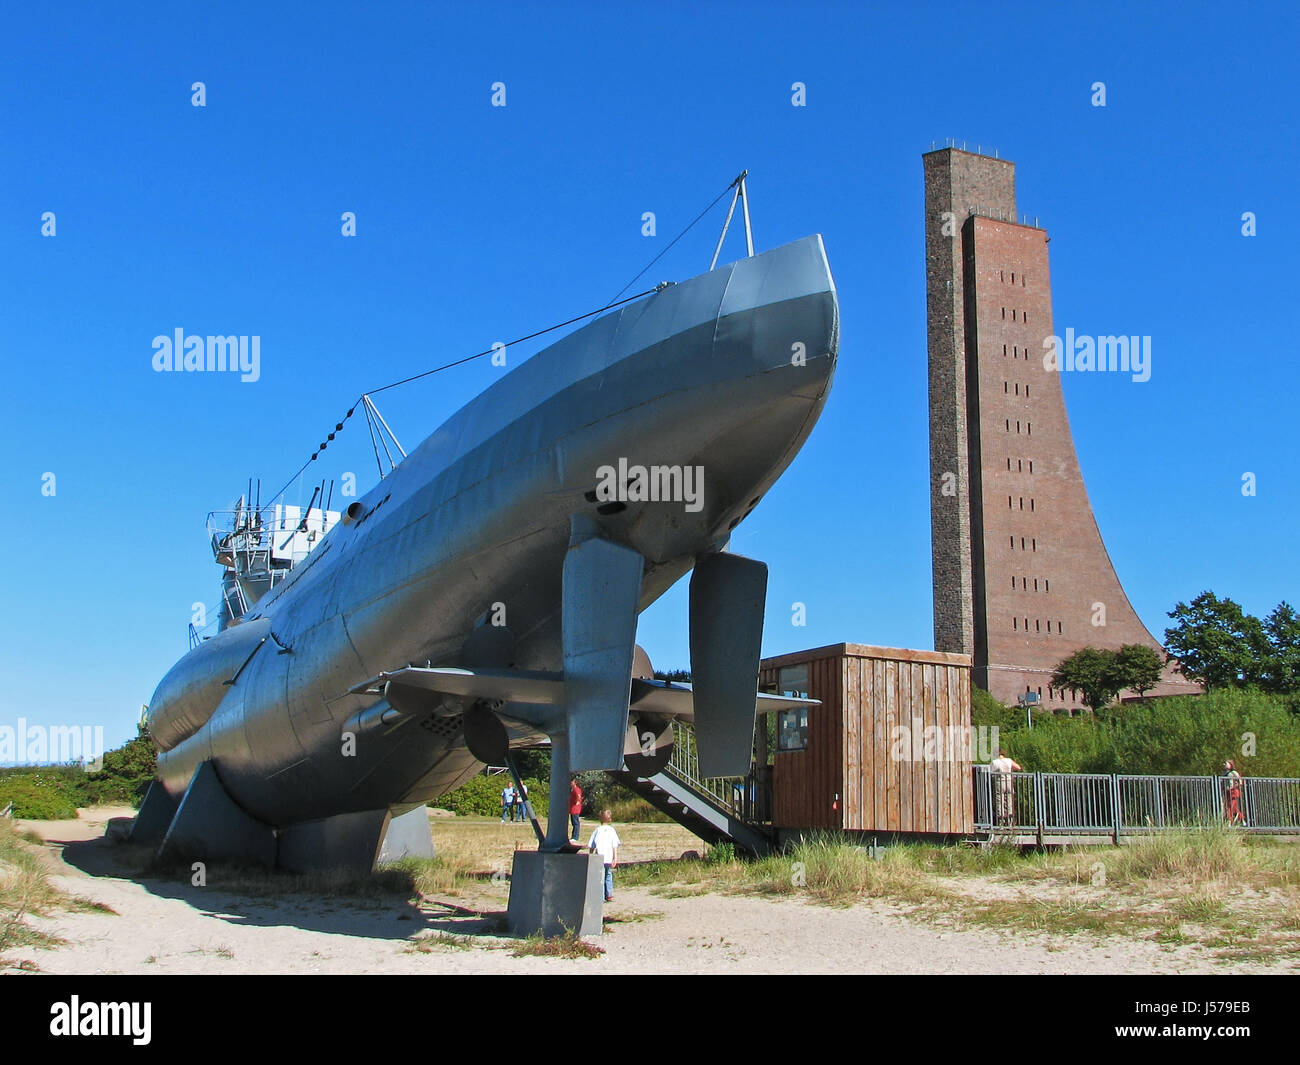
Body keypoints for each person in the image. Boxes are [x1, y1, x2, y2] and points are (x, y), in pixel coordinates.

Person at [588, 809, 621, 902]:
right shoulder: (612, 830)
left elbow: (592, 845)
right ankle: (609, 894)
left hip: (599, 857)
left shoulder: (597, 830)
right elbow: (615, 845)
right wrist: (615, 857)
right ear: (610, 819)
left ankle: (601, 896)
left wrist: (591, 854)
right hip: (609, 857)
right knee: (608, 875)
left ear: (600, 819)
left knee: (600, 876)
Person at [989, 748, 1022, 827]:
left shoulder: (995, 762)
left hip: (1000, 783)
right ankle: (1010, 821)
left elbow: (989, 771)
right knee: (1009, 801)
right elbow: (1018, 767)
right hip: (1009, 782)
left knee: (999, 801)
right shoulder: (1009, 760)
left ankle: (1001, 822)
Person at [1222, 760, 1244, 826]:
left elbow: (1240, 781)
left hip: (1233, 791)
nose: (1224, 764)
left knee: (1230, 806)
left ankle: (1230, 821)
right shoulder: (1224, 773)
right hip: (1227, 792)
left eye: (1226, 763)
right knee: (1231, 807)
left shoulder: (1233, 772)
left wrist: (1234, 786)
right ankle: (1242, 819)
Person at [568, 776, 584, 842]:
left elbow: (578, 796)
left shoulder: (576, 789)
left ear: (574, 782)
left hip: (575, 809)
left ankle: (575, 837)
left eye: (571, 782)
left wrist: (576, 802)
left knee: (575, 823)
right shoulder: (572, 789)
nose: (570, 783)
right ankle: (574, 836)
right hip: (572, 809)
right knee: (574, 822)